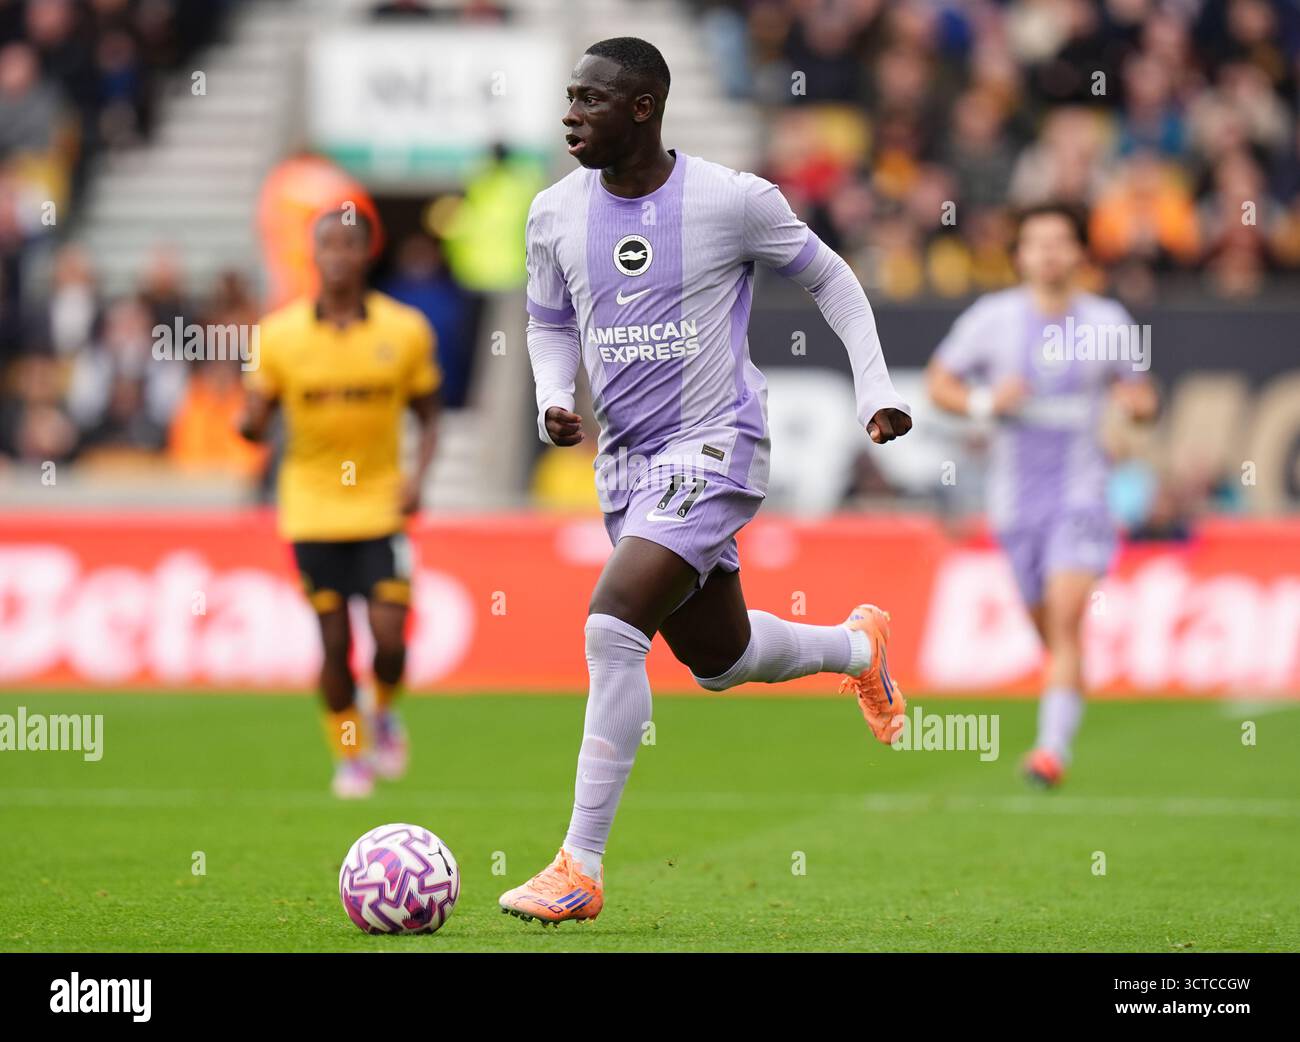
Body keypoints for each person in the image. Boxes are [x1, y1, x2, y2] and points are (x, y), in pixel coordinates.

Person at [499, 37, 912, 925]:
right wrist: (547, 399)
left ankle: (580, 865)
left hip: (717, 443)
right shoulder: (552, 214)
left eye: (590, 100)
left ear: (642, 107)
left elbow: (834, 279)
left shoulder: (733, 201)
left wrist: (873, 388)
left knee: (613, 625)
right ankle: (857, 649)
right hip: (627, 466)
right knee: (718, 661)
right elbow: (546, 324)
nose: (570, 114)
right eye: (568, 98)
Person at [925, 202, 1158, 788]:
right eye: (1037, 242)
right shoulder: (993, 318)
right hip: (1015, 503)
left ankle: (1050, 751)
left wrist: (1138, 406)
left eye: (1061, 241)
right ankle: (1068, 687)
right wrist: (984, 403)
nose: (1050, 253)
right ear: (1020, 255)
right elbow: (938, 383)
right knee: (1050, 630)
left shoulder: (1109, 320)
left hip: (1083, 494)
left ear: (1080, 251)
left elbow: (1142, 392)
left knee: (1066, 613)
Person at [238, 210, 441, 799]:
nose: (338, 256)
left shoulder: (405, 330)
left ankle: (382, 712)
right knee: (332, 643)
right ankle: (350, 754)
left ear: (366, 254)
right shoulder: (278, 336)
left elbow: (429, 417)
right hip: (311, 508)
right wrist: (248, 424)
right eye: (328, 244)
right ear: (312, 253)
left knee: (392, 637)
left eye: (349, 245)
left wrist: (418, 478)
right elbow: (256, 422)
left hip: (380, 505)